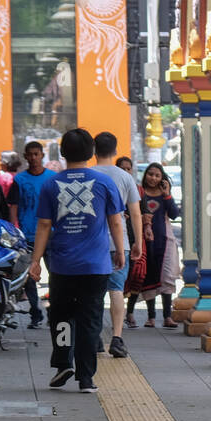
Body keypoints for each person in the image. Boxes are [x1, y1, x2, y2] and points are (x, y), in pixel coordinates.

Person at [29, 128, 126, 394]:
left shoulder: (51, 184)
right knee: (90, 319)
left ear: (62, 153)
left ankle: (63, 363)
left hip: (62, 265)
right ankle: (86, 378)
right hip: (96, 265)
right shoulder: (105, 183)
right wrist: (119, 251)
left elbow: (44, 225)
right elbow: (115, 221)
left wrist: (35, 260)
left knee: (61, 315)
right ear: (91, 152)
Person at [90, 132, 144, 358]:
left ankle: (93, 340)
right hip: (118, 241)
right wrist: (137, 243)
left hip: (91, 242)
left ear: (94, 150)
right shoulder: (124, 176)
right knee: (116, 291)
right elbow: (135, 213)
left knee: (92, 293)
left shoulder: (86, 174)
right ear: (114, 151)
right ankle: (117, 338)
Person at [7, 141, 57, 329]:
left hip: (51, 235)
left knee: (55, 274)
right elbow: (13, 206)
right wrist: (14, 230)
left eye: (37, 154)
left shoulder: (52, 178)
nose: (34, 158)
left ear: (42, 155)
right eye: (30, 154)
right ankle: (35, 313)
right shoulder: (19, 180)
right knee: (28, 276)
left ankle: (53, 311)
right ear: (25, 156)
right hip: (27, 235)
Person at [127, 163, 180, 328]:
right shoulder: (139, 193)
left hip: (166, 241)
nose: (153, 178)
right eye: (150, 174)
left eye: (157, 175)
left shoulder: (165, 195)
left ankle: (167, 316)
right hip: (144, 241)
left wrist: (167, 195)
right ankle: (151, 317)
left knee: (167, 276)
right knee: (148, 276)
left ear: (162, 178)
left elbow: (174, 214)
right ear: (145, 175)